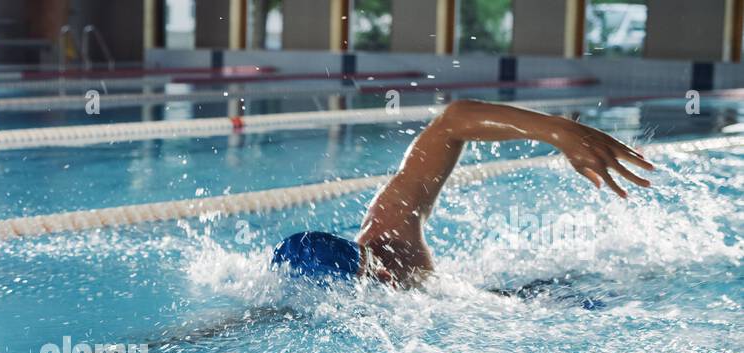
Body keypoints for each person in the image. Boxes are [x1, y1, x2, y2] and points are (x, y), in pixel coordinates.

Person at [274, 98, 656, 287]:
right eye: (372, 278)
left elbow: (452, 122)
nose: (385, 273)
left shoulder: (389, 235)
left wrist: (557, 131)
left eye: (371, 264)